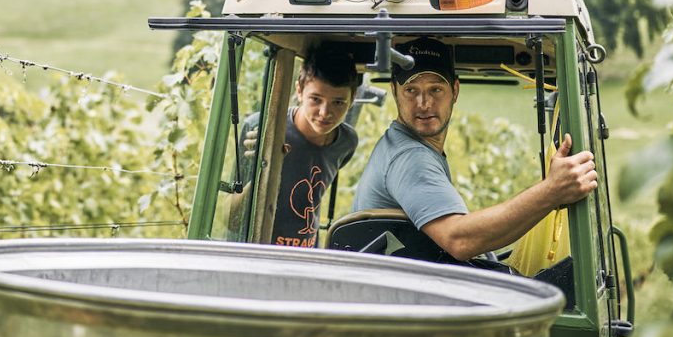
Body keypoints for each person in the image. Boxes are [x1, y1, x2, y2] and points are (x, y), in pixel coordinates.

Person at [351, 36, 597, 265]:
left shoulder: (403, 145)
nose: (424, 104)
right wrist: (552, 192)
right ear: (395, 92)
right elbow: (459, 240)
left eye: (435, 89)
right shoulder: (410, 158)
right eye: (411, 90)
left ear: (455, 91)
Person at [233, 42, 360, 248]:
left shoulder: (346, 142)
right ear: (299, 91)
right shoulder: (262, 128)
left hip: (307, 257)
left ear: (352, 99)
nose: (324, 113)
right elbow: (230, 219)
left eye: (338, 102)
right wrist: (263, 166)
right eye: (315, 99)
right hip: (258, 253)